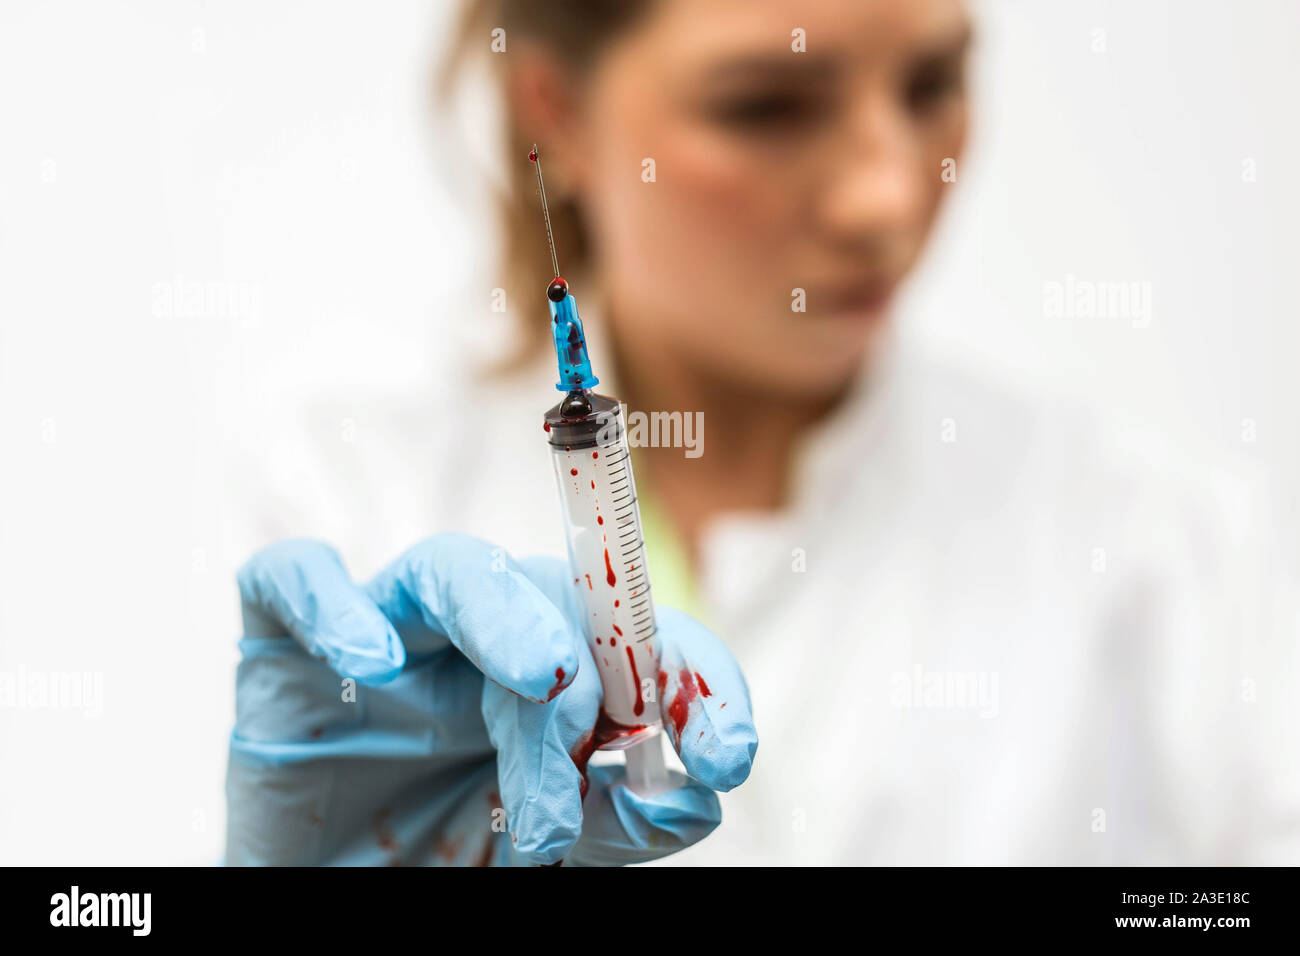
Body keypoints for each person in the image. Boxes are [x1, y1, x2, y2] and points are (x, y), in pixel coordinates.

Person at [224, 0, 1298, 865]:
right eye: (768, 105)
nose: (885, 193)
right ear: (556, 115)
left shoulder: (1161, 539)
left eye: (931, 84)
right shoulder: (353, 504)